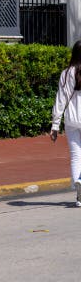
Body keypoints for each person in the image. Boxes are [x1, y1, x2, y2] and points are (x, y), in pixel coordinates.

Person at [50, 40, 81, 207]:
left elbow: (60, 100)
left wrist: (55, 125)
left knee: (76, 156)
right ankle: (80, 182)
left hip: (71, 119)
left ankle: (79, 190)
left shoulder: (66, 73)